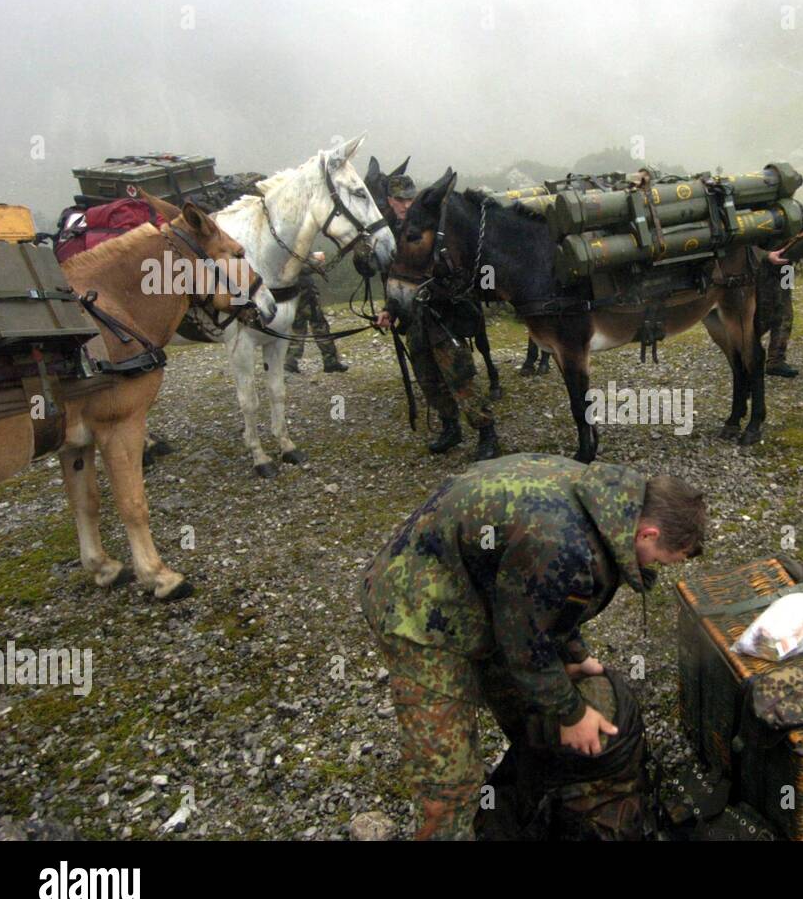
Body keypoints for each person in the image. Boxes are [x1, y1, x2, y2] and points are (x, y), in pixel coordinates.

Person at [359, 453, 707, 840]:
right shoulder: (561, 540)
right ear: (649, 534)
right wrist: (572, 715)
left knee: (531, 718)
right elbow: (524, 645)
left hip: (480, 592)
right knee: (450, 781)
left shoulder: (607, 502)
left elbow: (540, 598)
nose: (659, 567)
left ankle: (523, 804)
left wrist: (575, 654)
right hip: (417, 614)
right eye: (664, 559)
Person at [373, 174, 499, 461]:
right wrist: (390, 310)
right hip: (414, 323)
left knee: (461, 377)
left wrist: (441, 289)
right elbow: (396, 279)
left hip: (442, 317)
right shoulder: (390, 235)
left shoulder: (431, 226)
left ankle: (487, 433)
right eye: (400, 199)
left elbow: (459, 270)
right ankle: (450, 427)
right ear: (390, 201)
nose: (406, 204)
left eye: (410, 198)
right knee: (428, 380)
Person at [284, 252, 349, 374]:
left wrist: (312, 257)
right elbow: (300, 266)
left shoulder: (287, 245)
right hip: (305, 293)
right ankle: (330, 361)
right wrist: (316, 261)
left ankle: (290, 363)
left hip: (295, 293)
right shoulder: (290, 246)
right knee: (319, 326)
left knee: (298, 327)